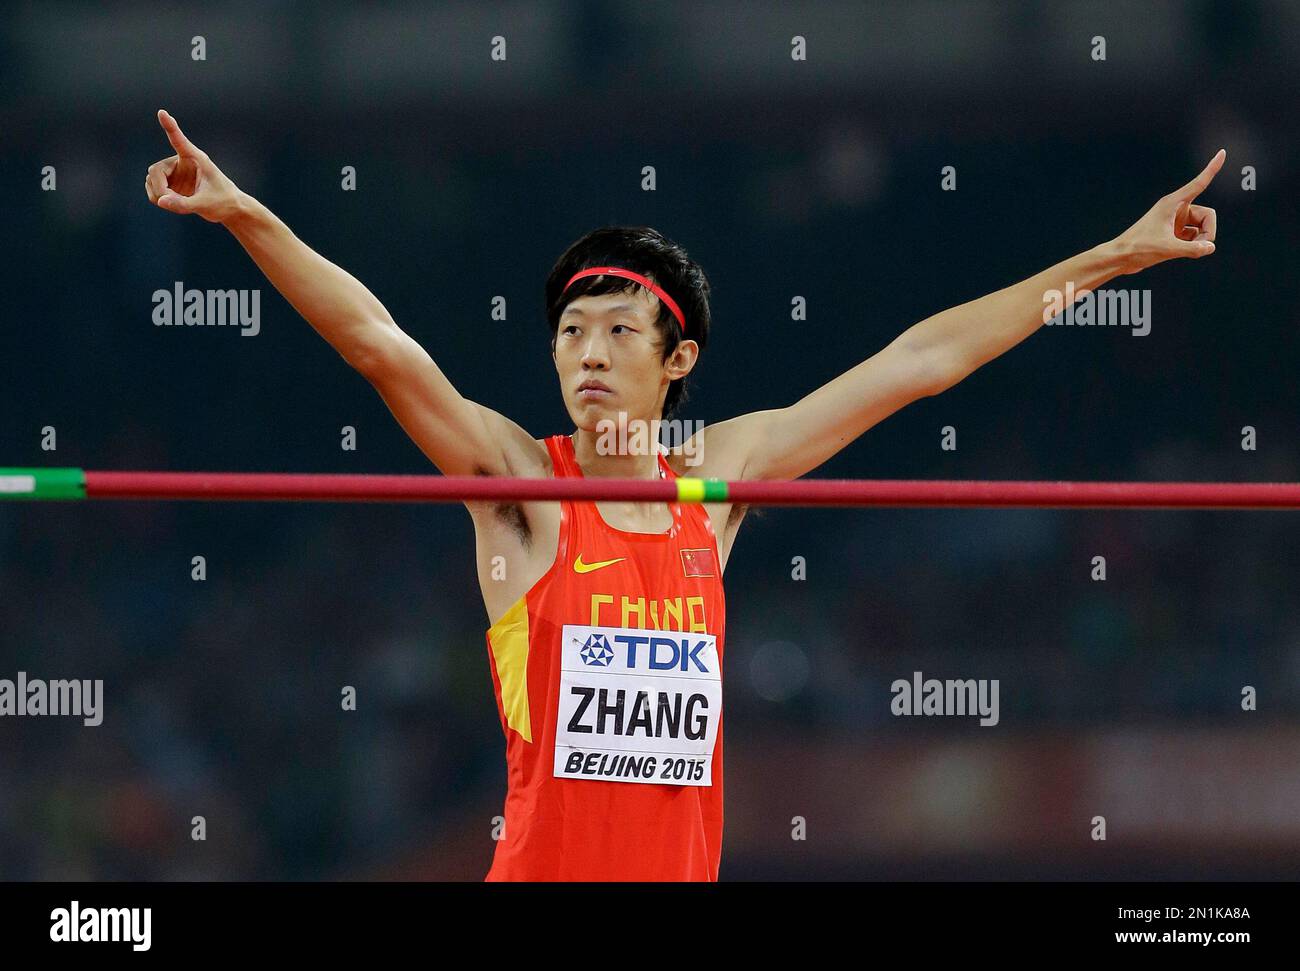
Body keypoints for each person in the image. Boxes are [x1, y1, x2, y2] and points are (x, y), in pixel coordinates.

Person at [144, 108, 1222, 880]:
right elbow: (382, 349)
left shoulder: (716, 484)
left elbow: (920, 361)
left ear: (677, 358)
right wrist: (246, 218)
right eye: (570, 332)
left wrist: (1116, 256)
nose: (588, 354)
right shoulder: (520, 486)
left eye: (619, 331)